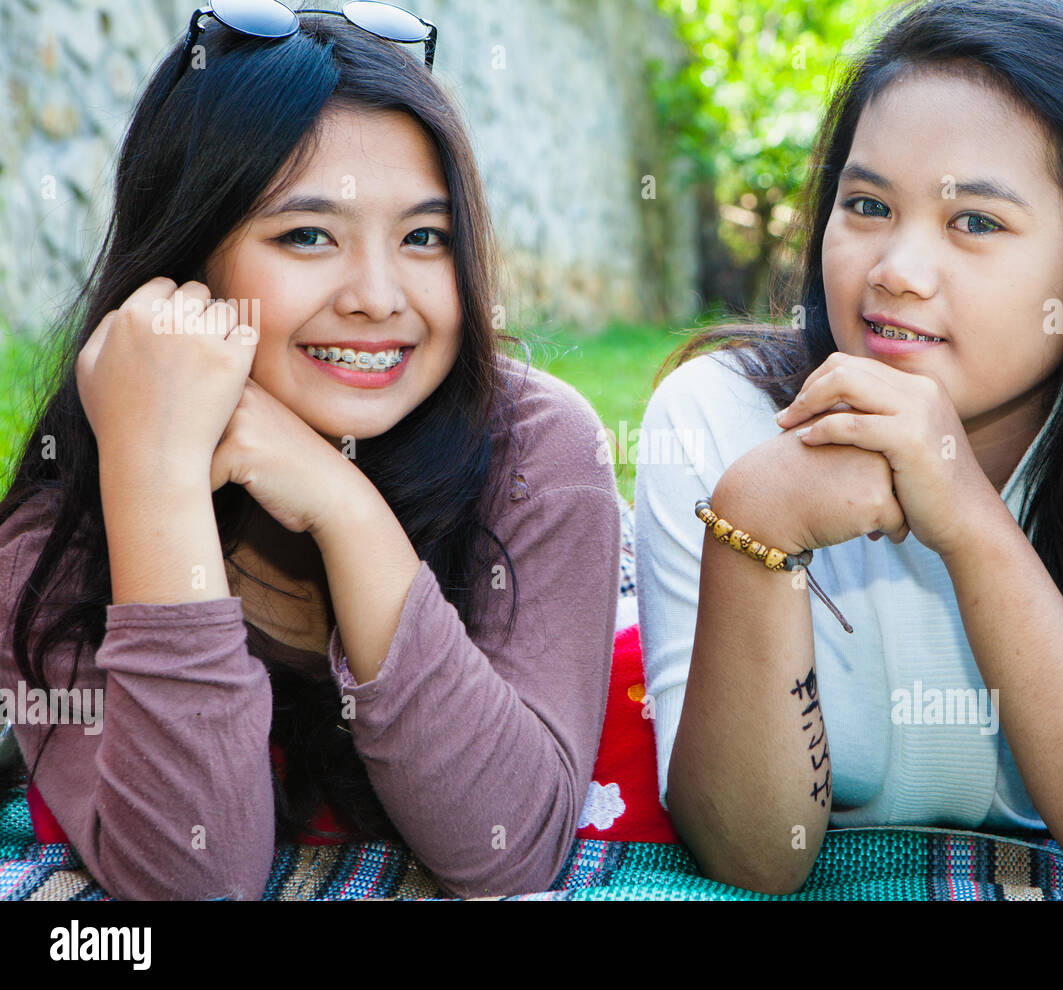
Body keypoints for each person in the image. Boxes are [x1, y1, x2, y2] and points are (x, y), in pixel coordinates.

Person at [635, 0, 1063, 900]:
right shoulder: (715, 421)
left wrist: (974, 527)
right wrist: (754, 527)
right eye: (867, 205)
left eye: (975, 222)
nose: (896, 269)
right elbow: (755, 858)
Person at [0, 7, 621, 900]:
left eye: (424, 237)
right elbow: (194, 883)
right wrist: (157, 480)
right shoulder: (62, 531)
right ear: (183, 262)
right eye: (307, 236)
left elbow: (508, 852)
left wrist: (345, 509)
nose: (377, 297)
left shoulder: (539, 448)